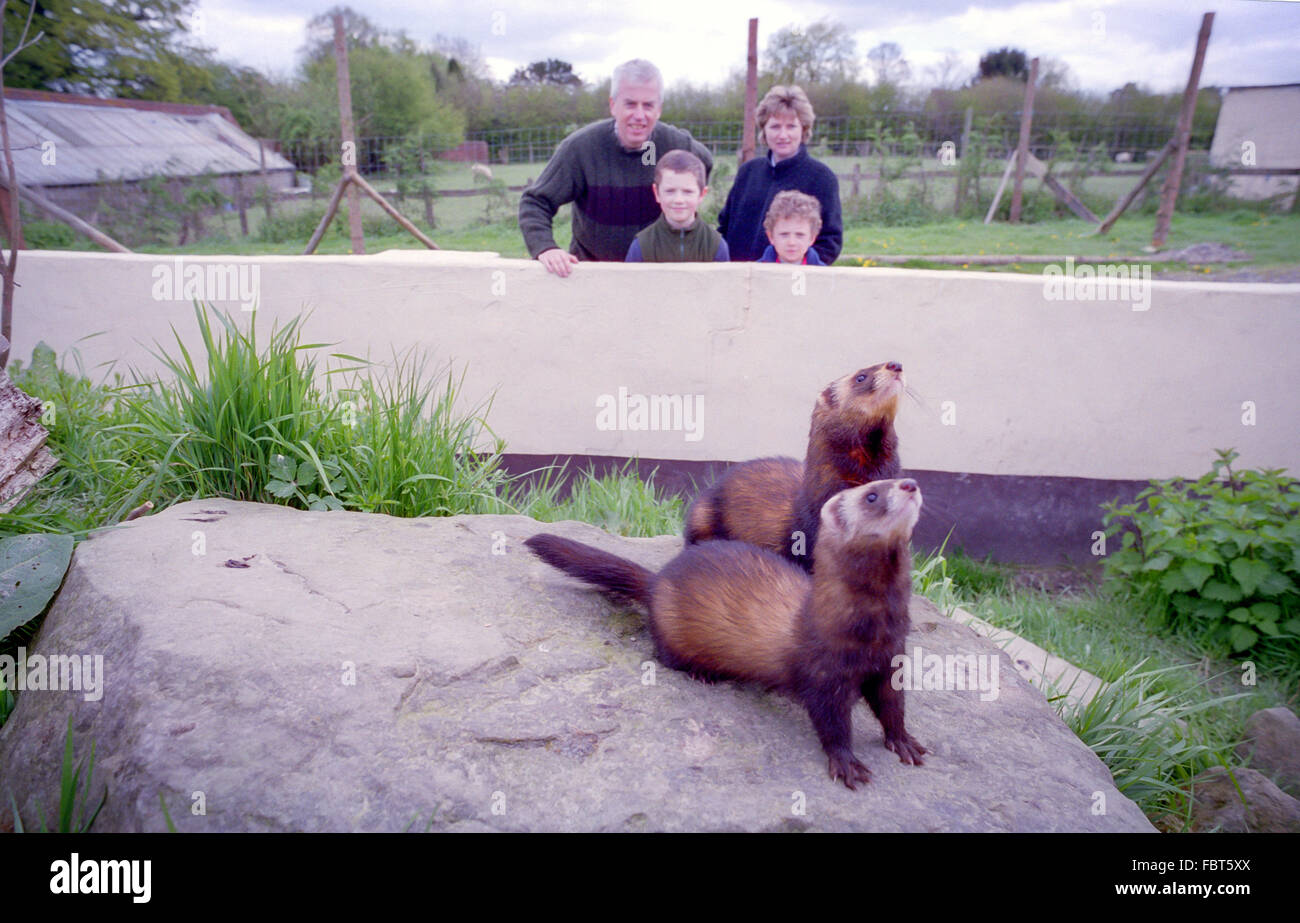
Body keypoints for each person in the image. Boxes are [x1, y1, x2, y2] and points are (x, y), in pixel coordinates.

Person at [518, 59, 714, 277]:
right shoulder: (582, 148)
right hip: (593, 273)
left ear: (659, 110)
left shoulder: (676, 144)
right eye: (630, 104)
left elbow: (704, 163)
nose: (639, 115)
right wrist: (546, 247)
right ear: (613, 105)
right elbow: (536, 201)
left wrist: (684, 215)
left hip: (658, 273)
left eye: (648, 105)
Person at [717, 85, 842, 264]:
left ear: (803, 129)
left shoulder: (822, 178)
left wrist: (795, 271)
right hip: (741, 279)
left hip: (791, 282)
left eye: (791, 126)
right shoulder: (748, 172)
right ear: (764, 130)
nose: (783, 135)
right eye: (775, 126)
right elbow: (725, 227)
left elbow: (830, 242)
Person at [626, 150, 729, 262]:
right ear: (657, 193)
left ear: (701, 194)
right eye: (670, 191)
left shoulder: (715, 244)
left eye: (687, 192)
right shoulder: (642, 245)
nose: (678, 200)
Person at [757, 191, 825, 265]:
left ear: (812, 238)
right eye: (784, 234)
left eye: (800, 235)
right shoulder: (754, 272)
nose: (791, 242)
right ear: (771, 237)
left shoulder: (824, 274)